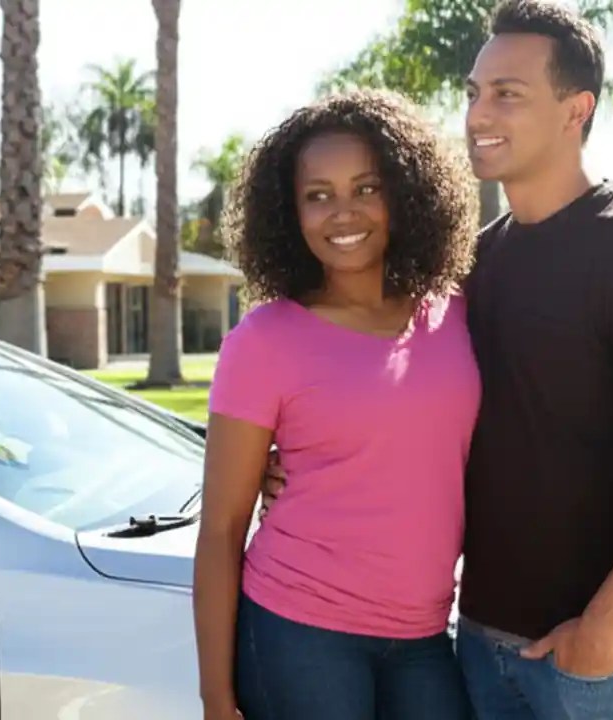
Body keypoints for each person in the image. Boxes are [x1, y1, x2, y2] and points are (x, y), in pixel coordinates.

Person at [259, 1, 613, 718]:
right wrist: (290, 456)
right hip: (481, 651)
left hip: (602, 665)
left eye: (508, 94)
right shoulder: (478, 262)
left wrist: (604, 628)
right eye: (475, 92)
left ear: (576, 109)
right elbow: (409, 402)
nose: (480, 113)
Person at [191, 88, 479, 720]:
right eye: (317, 195)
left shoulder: (455, 311)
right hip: (300, 629)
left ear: (405, 193)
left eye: (366, 188)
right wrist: (216, 696)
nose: (342, 213)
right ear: (289, 213)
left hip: (425, 632)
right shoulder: (264, 342)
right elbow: (219, 530)